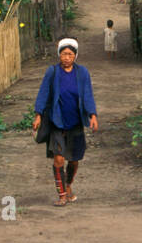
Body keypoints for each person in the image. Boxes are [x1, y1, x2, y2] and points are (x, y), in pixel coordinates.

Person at [33, 39, 98, 205]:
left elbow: (88, 94)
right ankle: (62, 195)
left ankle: (68, 184)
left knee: (74, 159)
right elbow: (43, 92)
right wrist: (38, 114)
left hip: (75, 122)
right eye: (64, 54)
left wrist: (92, 115)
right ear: (59, 55)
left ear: (75, 56)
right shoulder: (52, 72)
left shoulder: (82, 73)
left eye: (70, 54)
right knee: (59, 160)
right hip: (56, 122)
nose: (67, 57)